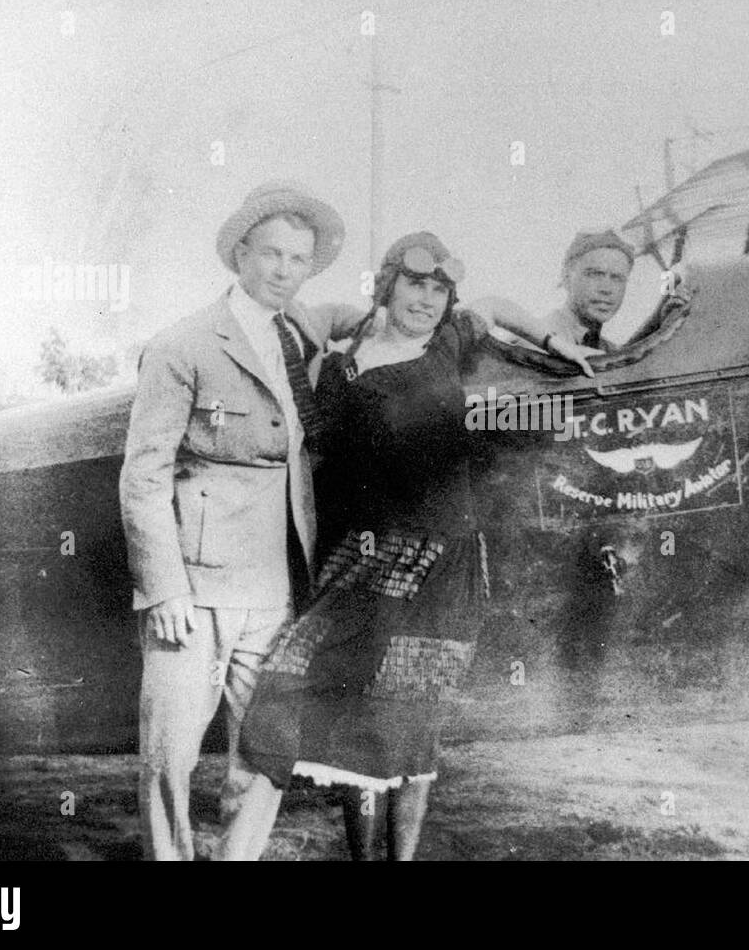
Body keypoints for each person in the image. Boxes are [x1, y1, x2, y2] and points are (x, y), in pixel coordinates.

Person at [232, 231, 600, 860]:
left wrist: (552, 339)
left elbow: (495, 303)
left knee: (409, 721)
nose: (427, 301)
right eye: (415, 285)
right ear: (388, 285)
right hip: (359, 560)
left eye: (438, 291)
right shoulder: (338, 366)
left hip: (441, 560)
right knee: (323, 705)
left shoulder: (449, 341)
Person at [119, 180, 367, 861]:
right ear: (239, 254)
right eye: (272, 255)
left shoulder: (302, 328)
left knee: (265, 749)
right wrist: (164, 588)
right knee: (168, 752)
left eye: (300, 260)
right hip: (195, 589)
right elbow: (143, 475)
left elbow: (354, 317)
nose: (285, 271)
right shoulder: (184, 345)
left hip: (277, 582)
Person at [523, 226, 688, 353]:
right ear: (566, 278)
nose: (606, 289)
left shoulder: (599, 344)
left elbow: (620, 359)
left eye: (617, 278)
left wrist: (661, 321)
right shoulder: (541, 338)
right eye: (595, 274)